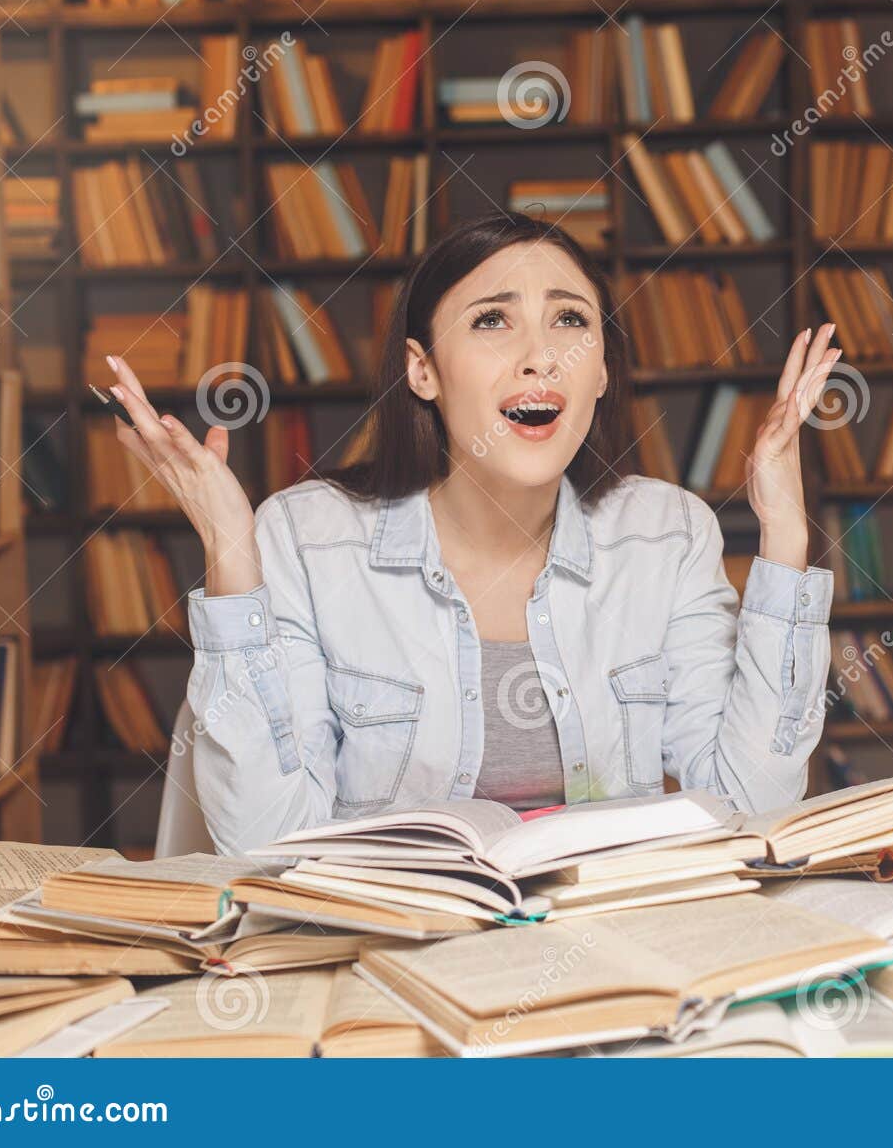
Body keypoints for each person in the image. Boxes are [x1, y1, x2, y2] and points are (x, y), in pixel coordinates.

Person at [105, 212, 842, 854]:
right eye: (492, 320)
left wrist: (785, 535)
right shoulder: (306, 538)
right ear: (422, 370)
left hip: (600, 944)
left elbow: (752, 807)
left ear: (602, 373)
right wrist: (231, 552)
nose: (541, 356)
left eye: (570, 320)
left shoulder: (668, 534)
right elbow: (266, 842)